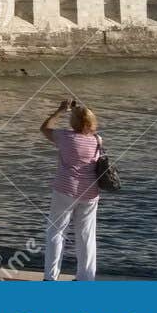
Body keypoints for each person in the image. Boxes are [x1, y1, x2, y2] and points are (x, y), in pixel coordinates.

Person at [40, 98, 102, 281]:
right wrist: (79, 111)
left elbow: (44, 128)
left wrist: (61, 110)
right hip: (90, 193)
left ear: (72, 122)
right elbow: (86, 125)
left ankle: (50, 278)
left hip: (64, 190)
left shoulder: (64, 137)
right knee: (86, 236)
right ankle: (85, 278)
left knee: (56, 232)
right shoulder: (97, 140)